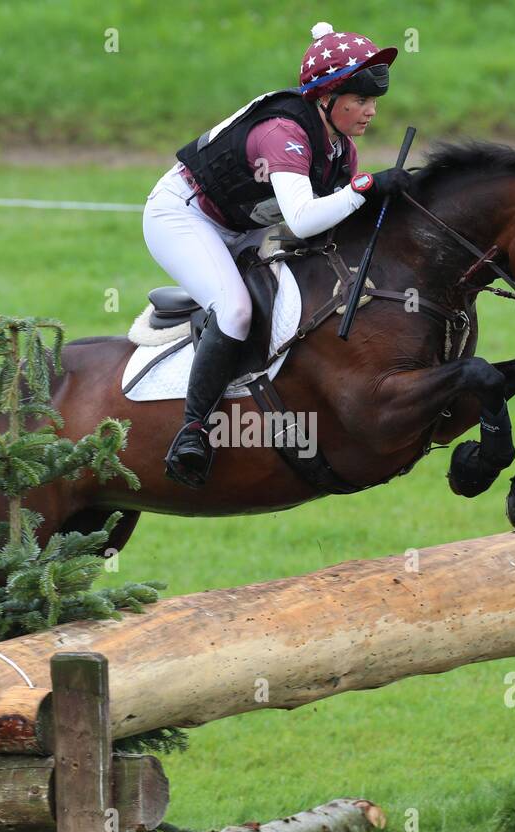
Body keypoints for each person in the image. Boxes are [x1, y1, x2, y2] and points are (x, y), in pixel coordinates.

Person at [144, 21, 412, 488]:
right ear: (327, 97)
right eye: (362, 101)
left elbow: (339, 223)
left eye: (374, 103)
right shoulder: (283, 131)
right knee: (236, 309)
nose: (371, 112)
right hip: (181, 217)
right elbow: (307, 218)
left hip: (241, 226)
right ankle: (191, 430)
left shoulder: (339, 149)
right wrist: (368, 186)